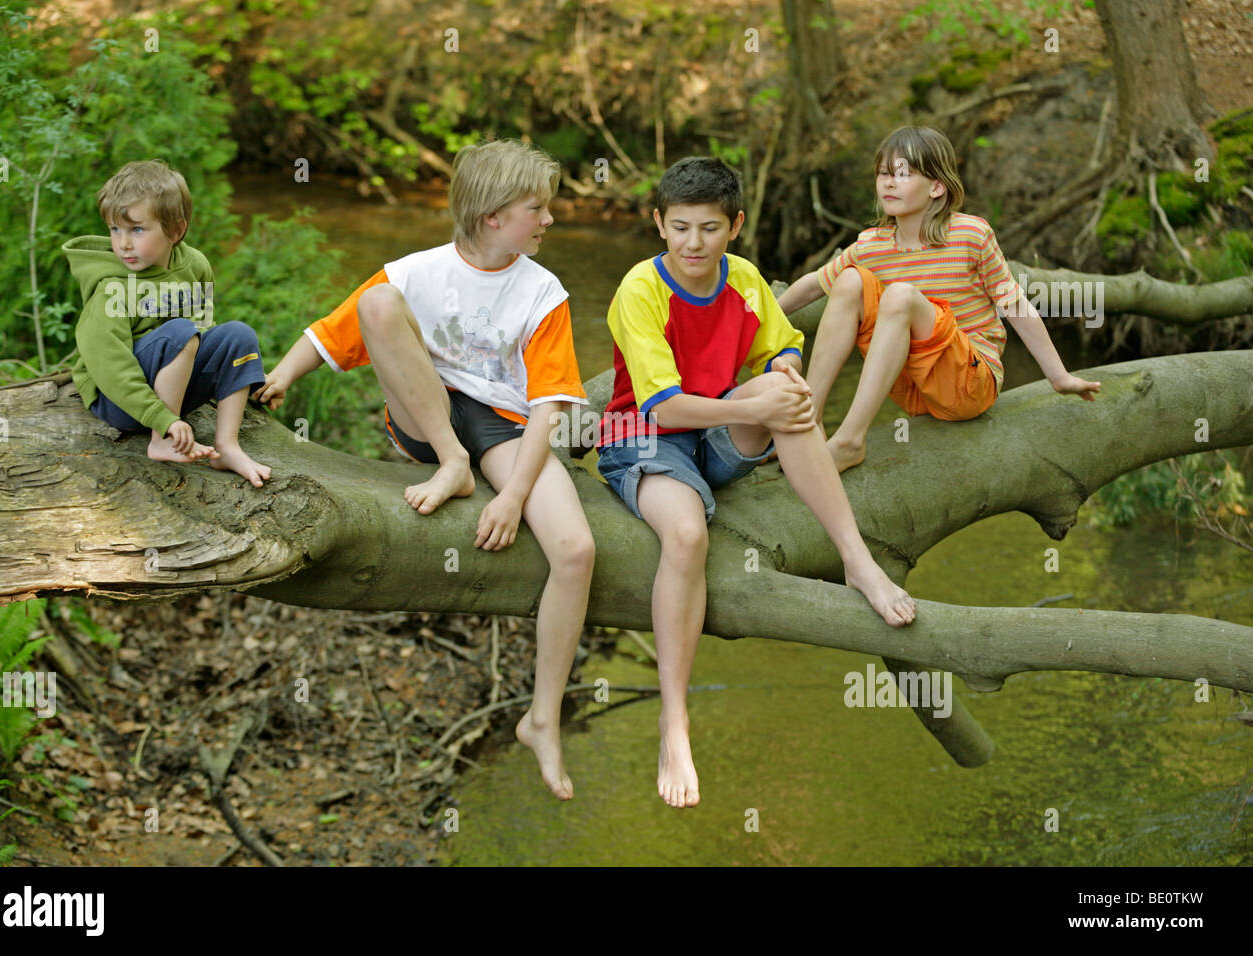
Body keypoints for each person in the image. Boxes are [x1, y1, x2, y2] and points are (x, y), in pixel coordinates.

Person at [257, 140, 594, 800]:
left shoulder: (543, 291)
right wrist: (279, 377)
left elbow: (549, 407)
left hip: (506, 426)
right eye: (538, 208)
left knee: (578, 550)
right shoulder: (415, 272)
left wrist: (514, 496)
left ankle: (542, 719)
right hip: (427, 414)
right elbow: (331, 333)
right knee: (377, 304)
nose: (550, 219)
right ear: (494, 215)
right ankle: (452, 466)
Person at [595, 156, 916, 809]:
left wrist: (786, 379)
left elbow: (781, 345)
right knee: (686, 536)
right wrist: (756, 409)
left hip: (716, 435)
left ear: (734, 226)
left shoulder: (742, 280)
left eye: (709, 228)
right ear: (659, 223)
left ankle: (858, 563)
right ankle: (674, 722)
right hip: (642, 439)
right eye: (679, 227)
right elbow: (662, 407)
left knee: (783, 388)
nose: (693, 243)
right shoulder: (640, 290)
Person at [776, 125, 1101, 473]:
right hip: (913, 388)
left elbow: (1014, 305)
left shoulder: (970, 235)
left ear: (937, 186)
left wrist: (1059, 376)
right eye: (883, 173)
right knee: (850, 279)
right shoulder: (872, 246)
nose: (888, 182)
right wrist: (757, 315)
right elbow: (813, 285)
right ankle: (807, 423)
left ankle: (850, 440)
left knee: (900, 295)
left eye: (902, 174)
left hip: (968, 384)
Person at [64, 159, 271, 487]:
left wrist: (242, 375)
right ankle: (161, 441)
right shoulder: (111, 288)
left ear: (175, 230)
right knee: (181, 332)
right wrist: (161, 418)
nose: (124, 243)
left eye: (137, 229)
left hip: (172, 388)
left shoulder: (195, 265)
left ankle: (227, 446)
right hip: (118, 399)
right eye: (115, 229)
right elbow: (110, 365)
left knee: (238, 335)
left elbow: (205, 333)